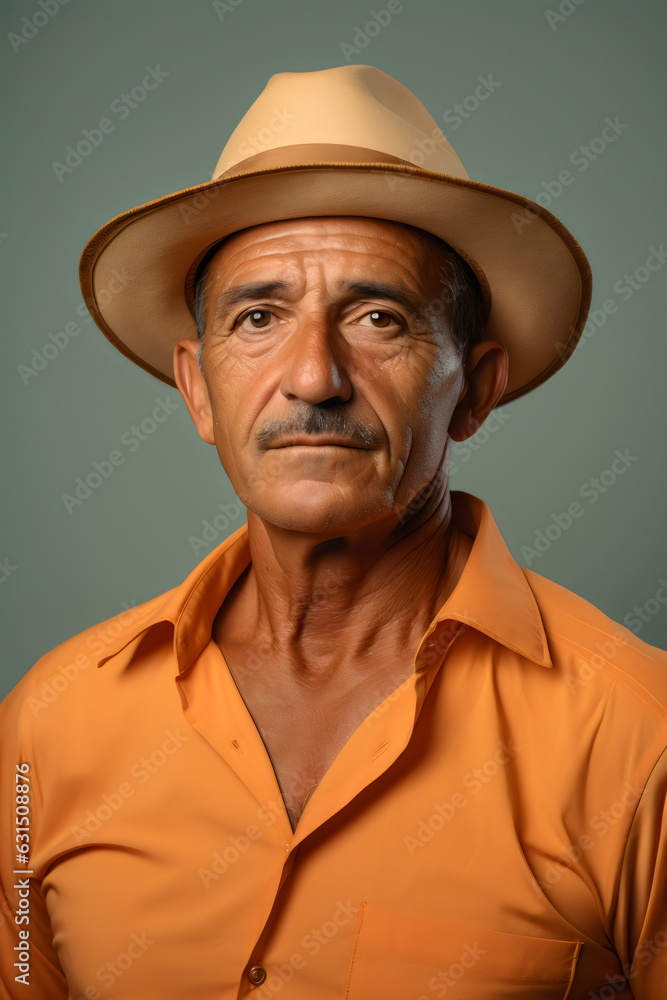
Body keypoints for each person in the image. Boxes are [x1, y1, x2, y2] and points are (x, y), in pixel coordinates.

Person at [1, 65, 665, 1000]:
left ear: (472, 391)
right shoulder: (45, 730)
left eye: (378, 318)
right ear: (197, 387)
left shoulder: (639, 737)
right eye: (259, 317)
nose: (314, 377)